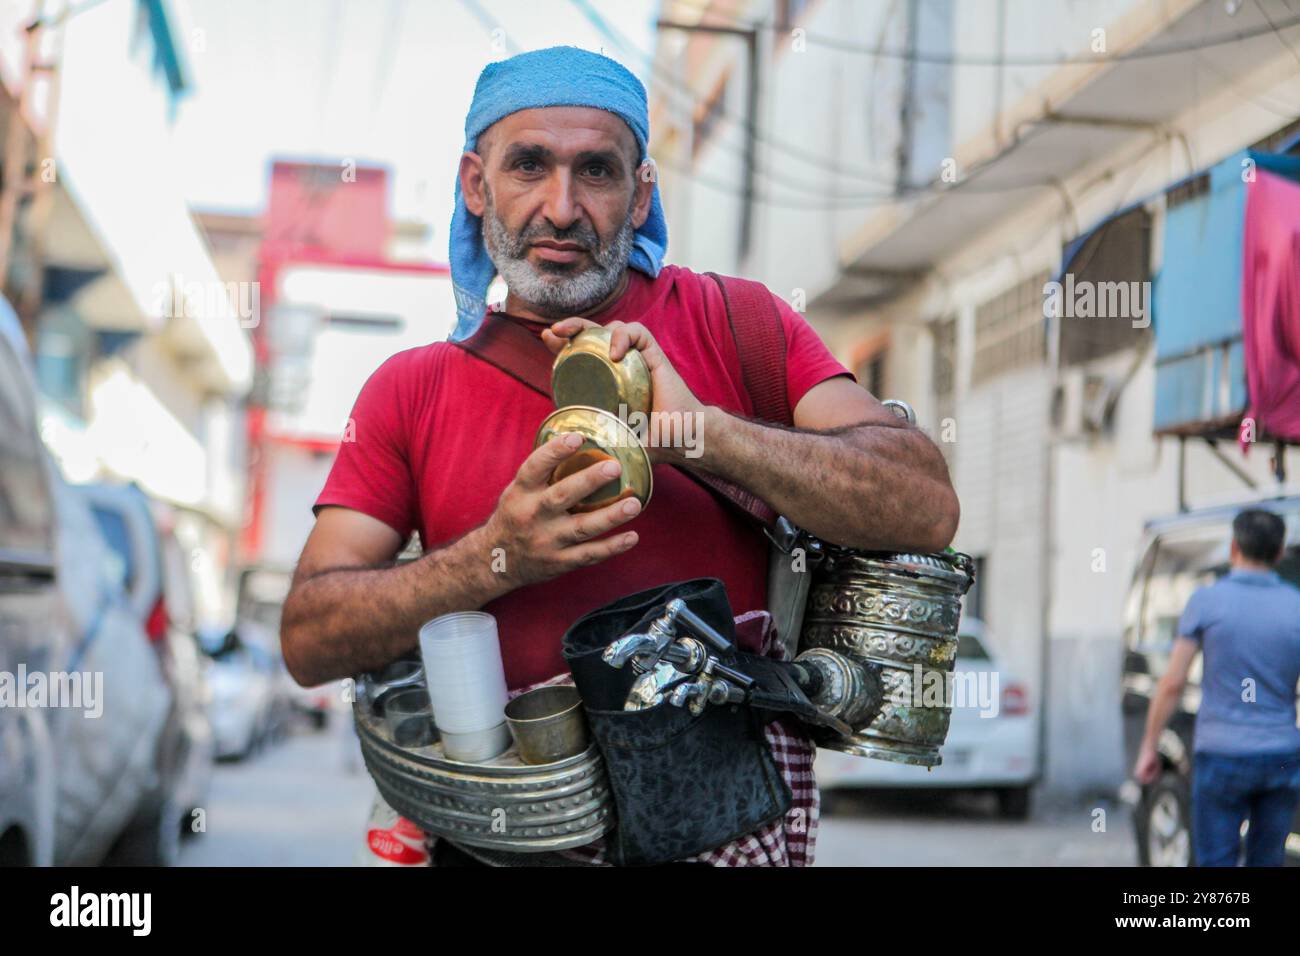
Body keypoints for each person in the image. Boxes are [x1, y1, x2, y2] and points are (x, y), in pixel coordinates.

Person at [281, 46, 959, 866]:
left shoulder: (740, 324)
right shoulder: (409, 389)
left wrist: (709, 433)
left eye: (596, 172)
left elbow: (924, 504)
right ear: (474, 183)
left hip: (721, 825)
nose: (561, 209)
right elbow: (309, 640)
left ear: (641, 195)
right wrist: (497, 559)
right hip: (501, 838)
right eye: (528, 166)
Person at [1133, 508, 1300, 866]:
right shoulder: (1295, 605)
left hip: (1222, 754)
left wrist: (1149, 746)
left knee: (1216, 861)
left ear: (1233, 548)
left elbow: (1173, 681)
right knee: (1269, 859)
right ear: (1280, 551)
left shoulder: (1206, 601)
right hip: (1282, 757)